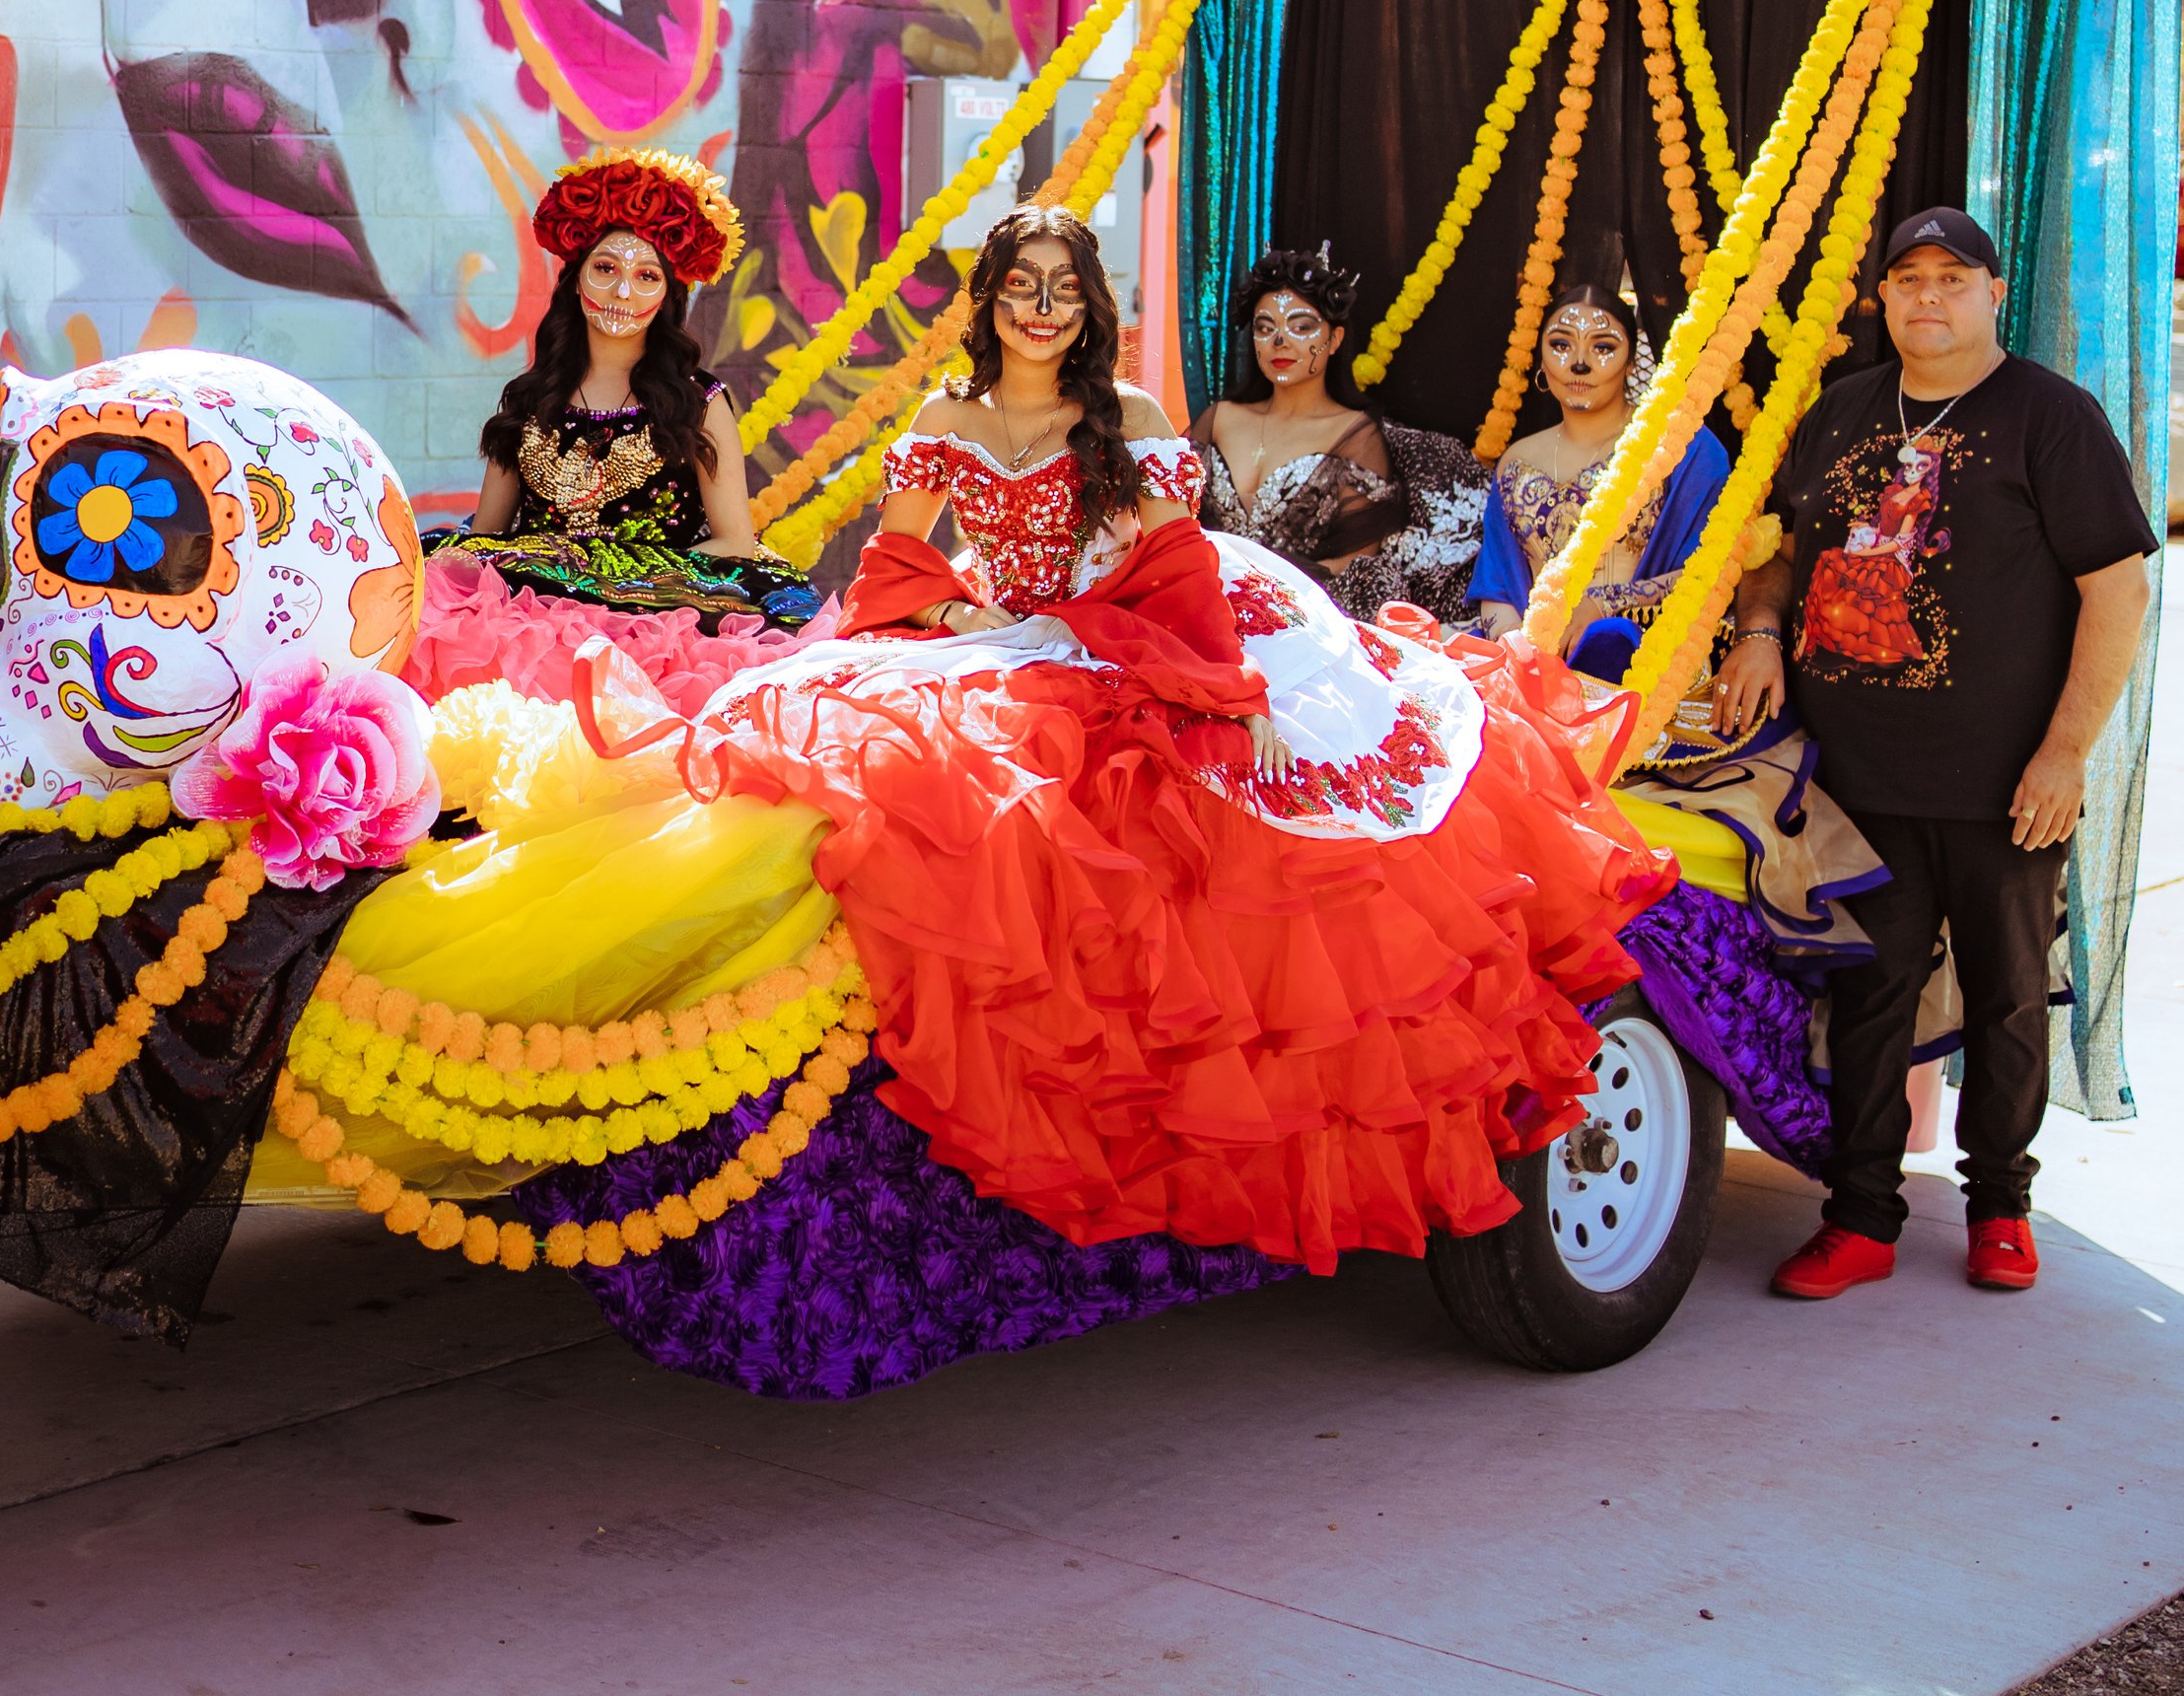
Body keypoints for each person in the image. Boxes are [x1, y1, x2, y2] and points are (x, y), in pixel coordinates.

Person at [683, 207, 1668, 1272]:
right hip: (1001, 631)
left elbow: (1175, 568)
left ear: (1091, 307)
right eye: (1021, 286)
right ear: (990, 299)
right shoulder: (946, 414)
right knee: (868, 745)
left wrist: (1232, 690)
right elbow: (897, 565)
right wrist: (958, 613)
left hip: (1135, 622)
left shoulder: (1132, 413)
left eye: (1065, 289)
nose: (1042, 310)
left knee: (1186, 809)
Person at [1713, 207, 2155, 1300]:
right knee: (1870, 998)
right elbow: (1778, 549)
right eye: (1909, 279)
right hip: (1858, 779)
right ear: (1883, 300)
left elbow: (2118, 592)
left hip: (2006, 783)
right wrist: (1760, 628)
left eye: (1953, 278)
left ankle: (1999, 1206)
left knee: (2007, 998)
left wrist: (2065, 754)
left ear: (1993, 294)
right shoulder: (1841, 410)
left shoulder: (2051, 417)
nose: (1929, 297)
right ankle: (1861, 1218)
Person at [415, 149, 820, 708]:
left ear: (668, 296)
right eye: (606, 269)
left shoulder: (699, 402)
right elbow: (489, 535)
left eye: (646, 276)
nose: (622, 293)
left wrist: (611, 588)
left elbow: (735, 540)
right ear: (576, 279)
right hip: (531, 626)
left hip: (662, 628)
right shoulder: (530, 399)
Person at [1189, 244, 1490, 628]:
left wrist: (1265, 605)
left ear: (1334, 339)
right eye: (1265, 328)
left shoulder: (1354, 435)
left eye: (1301, 326)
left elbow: (1354, 567)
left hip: (1299, 621)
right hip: (1203, 605)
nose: (1280, 340)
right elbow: (1171, 516)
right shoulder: (1219, 419)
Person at [1472, 282, 1728, 678]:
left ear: (1632, 363)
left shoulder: (1679, 446)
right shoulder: (1516, 461)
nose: (1579, 364)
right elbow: (1496, 587)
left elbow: (1715, 571)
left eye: (1603, 347)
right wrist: (1517, 653)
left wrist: (1603, 604)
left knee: (1609, 641)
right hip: (1533, 662)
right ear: (1541, 358)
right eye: (1561, 344)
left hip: (1646, 656)